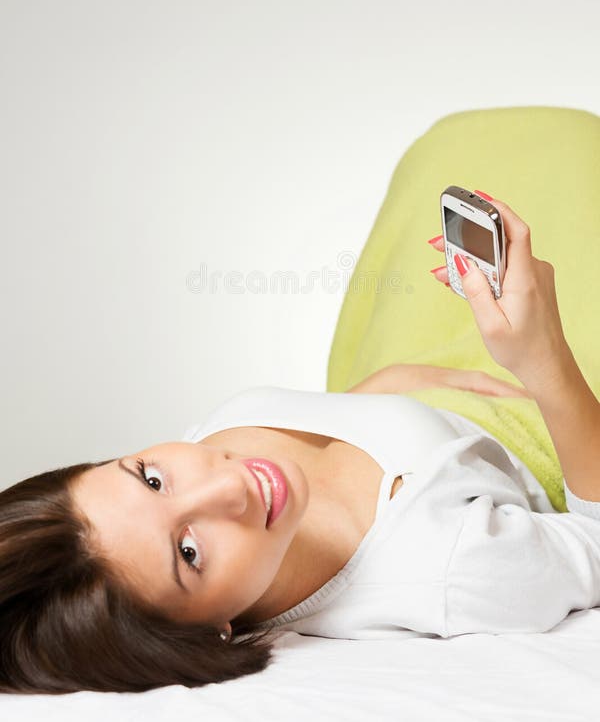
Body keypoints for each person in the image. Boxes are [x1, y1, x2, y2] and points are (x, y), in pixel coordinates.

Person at [2, 193, 600, 695]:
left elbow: (341, 417)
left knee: (465, 139)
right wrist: (545, 360)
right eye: (188, 552)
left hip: (444, 341)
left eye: (150, 478)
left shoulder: (219, 452)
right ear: (211, 633)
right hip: (564, 398)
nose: (228, 484)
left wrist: (385, 386)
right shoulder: (451, 571)